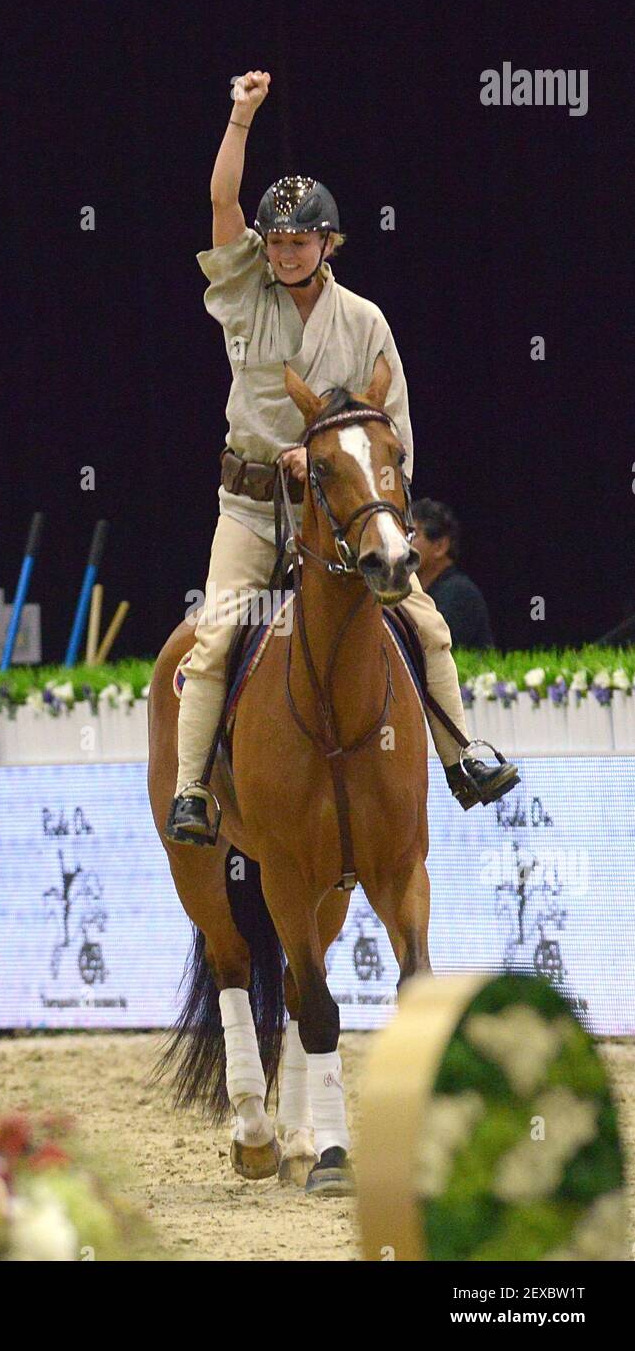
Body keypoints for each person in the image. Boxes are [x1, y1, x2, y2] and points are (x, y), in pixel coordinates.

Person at [166, 70, 517, 844]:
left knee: (424, 625)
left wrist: (367, 508)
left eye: (301, 242)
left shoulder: (362, 321)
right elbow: (223, 203)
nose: (287, 253)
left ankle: (462, 753)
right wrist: (239, 118)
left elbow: (390, 431)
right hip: (253, 511)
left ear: (328, 243)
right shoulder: (242, 291)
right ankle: (193, 787)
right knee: (218, 632)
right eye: (278, 241)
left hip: (342, 513)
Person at [412, 499, 495, 648]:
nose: (403, 544)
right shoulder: (416, 592)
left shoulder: (459, 593)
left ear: (440, 546)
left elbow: (431, 650)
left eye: (413, 535)